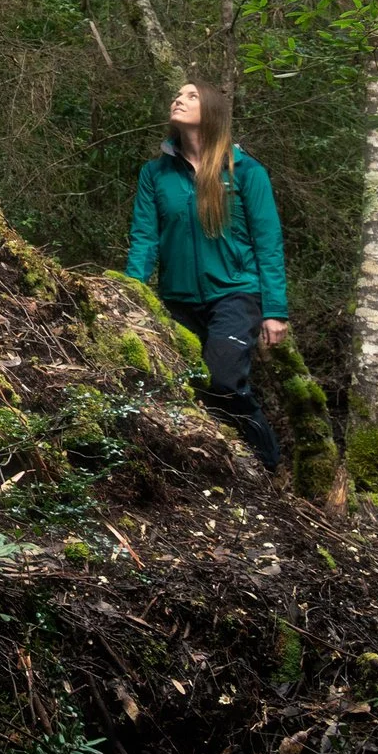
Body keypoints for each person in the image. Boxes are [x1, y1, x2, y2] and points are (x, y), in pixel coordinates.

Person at [125, 80, 289, 472]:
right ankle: (219, 469)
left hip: (235, 294)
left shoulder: (245, 171)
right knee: (190, 387)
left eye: (191, 95)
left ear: (211, 110)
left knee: (225, 380)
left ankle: (269, 464)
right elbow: (145, 239)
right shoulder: (156, 173)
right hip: (178, 300)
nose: (178, 99)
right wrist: (130, 292)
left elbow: (268, 242)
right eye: (177, 95)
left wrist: (275, 310)